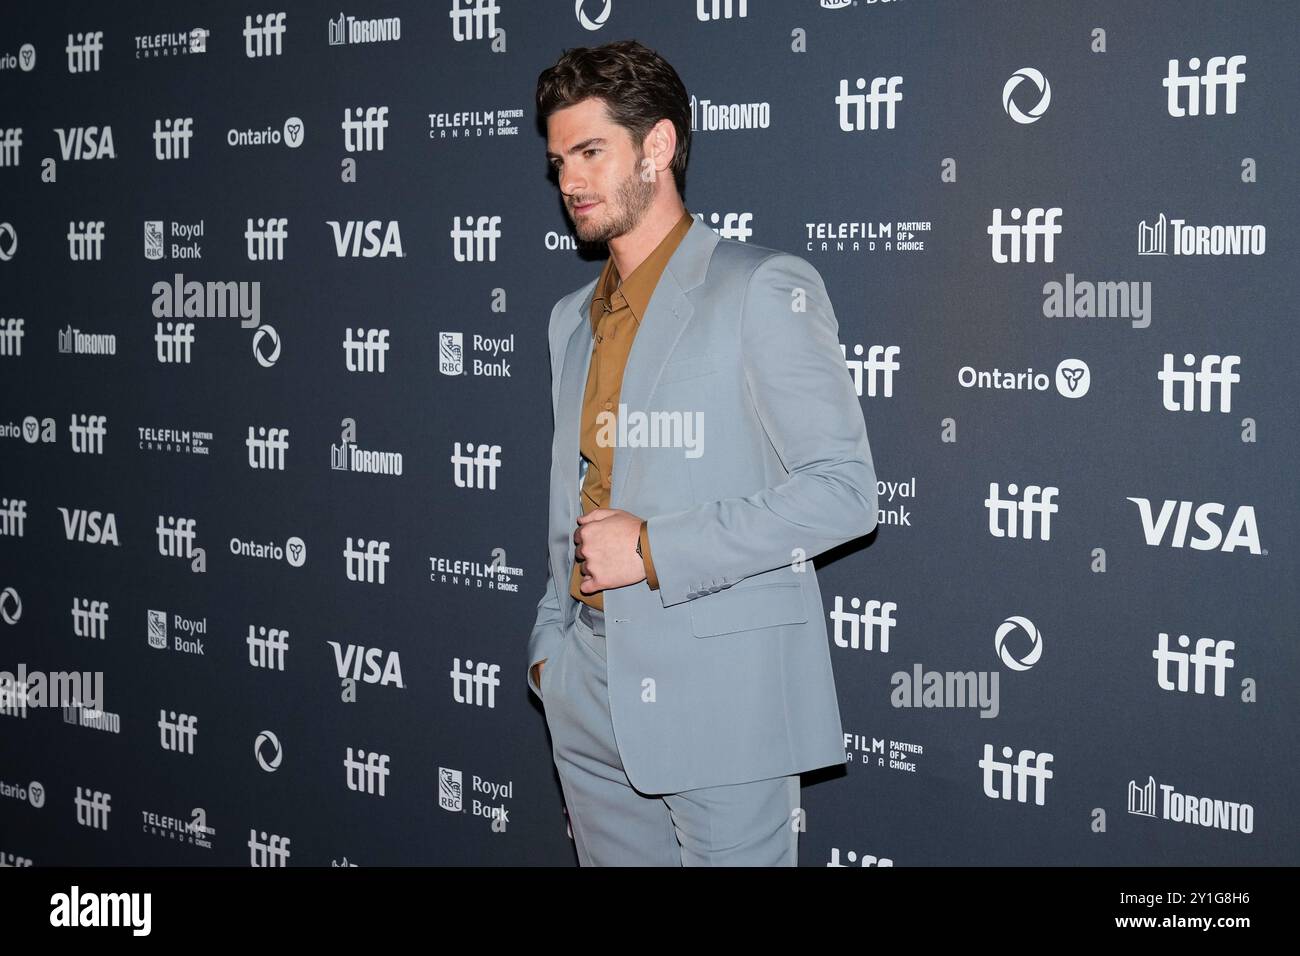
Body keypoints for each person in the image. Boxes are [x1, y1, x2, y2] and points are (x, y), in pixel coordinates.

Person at [528, 39, 878, 865]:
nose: (569, 181)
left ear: (658, 145)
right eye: (557, 161)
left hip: (720, 692)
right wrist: (553, 653)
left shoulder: (760, 287)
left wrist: (652, 548)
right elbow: (576, 491)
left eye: (589, 152)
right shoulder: (569, 319)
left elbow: (843, 492)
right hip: (585, 681)